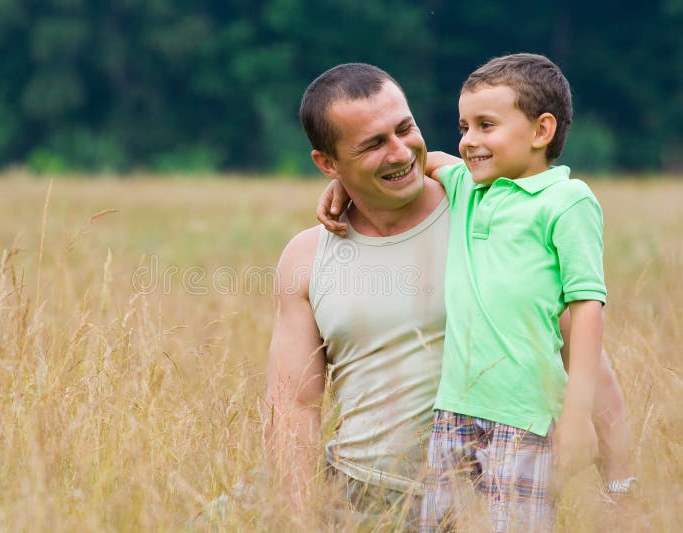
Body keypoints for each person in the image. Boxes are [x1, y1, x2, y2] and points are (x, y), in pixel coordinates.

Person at [265, 62, 631, 528]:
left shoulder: (486, 213)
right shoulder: (306, 257)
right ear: (327, 163)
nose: (400, 152)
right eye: (373, 144)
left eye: (405, 129)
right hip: (356, 500)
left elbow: (581, 346)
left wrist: (621, 482)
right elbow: (293, 405)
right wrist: (297, 519)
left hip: (485, 492)